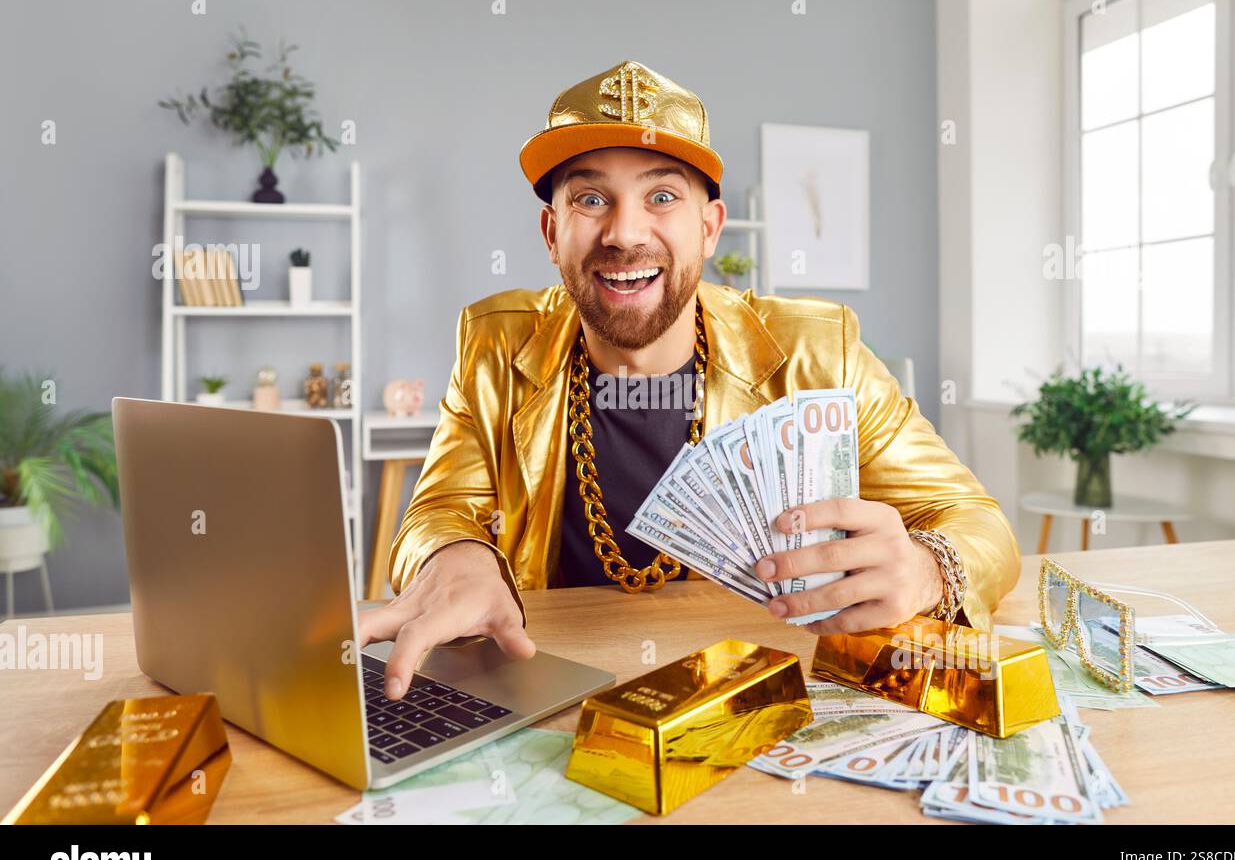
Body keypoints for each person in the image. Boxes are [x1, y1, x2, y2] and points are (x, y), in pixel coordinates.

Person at [360, 60, 1020, 700]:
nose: (623, 232)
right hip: (552, 688)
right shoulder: (496, 342)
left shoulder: (817, 353)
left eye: (662, 195)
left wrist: (930, 568)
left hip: (756, 694)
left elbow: (978, 522)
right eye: (591, 198)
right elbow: (439, 509)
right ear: (551, 231)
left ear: (708, 228)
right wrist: (454, 555)